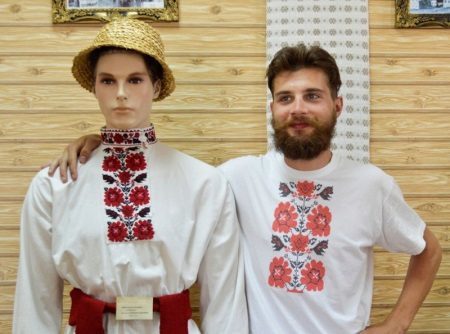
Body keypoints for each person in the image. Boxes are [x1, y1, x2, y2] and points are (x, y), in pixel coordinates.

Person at [48, 44, 442, 333]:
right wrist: (104, 145)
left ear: (337, 106)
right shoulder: (235, 178)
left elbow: (429, 250)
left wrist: (397, 324)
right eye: (285, 98)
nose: (298, 109)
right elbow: (165, 179)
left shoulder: (371, 185)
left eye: (313, 96)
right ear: (272, 109)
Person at [14, 18, 248, 334]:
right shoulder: (53, 185)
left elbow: (225, 300)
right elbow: (36, 297)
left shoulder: (205, 183)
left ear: (157, 86)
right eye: (108, 81)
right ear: (94, 87)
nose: (121, 93)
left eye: (135, 80)